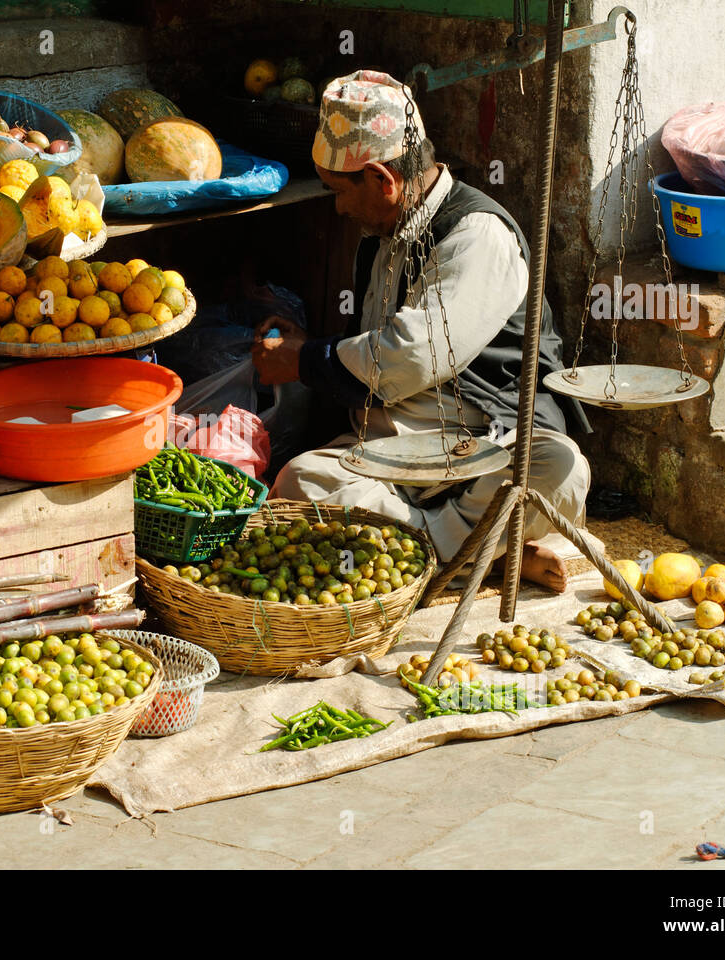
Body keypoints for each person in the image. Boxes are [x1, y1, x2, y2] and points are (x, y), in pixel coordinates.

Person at [252, 70, 592, 593]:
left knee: (561, 471)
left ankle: (429, 554)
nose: (338, 208)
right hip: (392, 451)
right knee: (300, 482)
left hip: (482, 447)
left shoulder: (478, 235)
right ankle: (483, 555)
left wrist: (305, 359)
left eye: (338, 191)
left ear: (382, 179)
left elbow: (412, 355)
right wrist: (310, 345)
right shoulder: (385, 232)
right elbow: (371, 346)